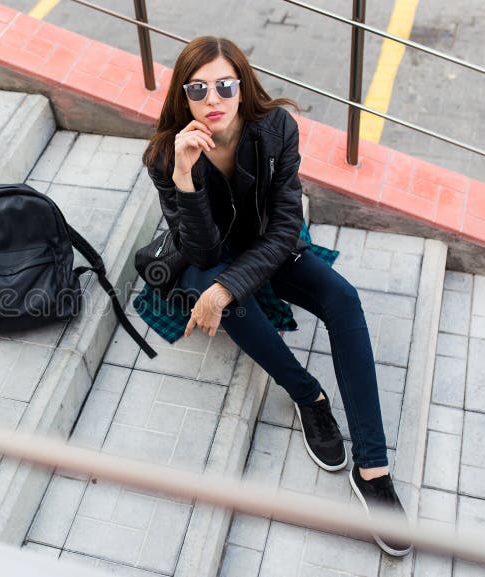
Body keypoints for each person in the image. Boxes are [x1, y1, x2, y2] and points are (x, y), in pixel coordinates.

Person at [141, 36, 411, 557]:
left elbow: (286, 228)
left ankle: (373, 467)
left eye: (225, 84)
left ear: (241, 87)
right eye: (199, 88)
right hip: (213, 256)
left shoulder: (276, 129)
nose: (213, 97)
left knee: (343, 299)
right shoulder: (164, 156)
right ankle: (309, 396)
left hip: (271, 249)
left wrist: (226, 286)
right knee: (222, 298)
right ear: (184, 95)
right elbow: (200, 252)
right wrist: (183, 178)